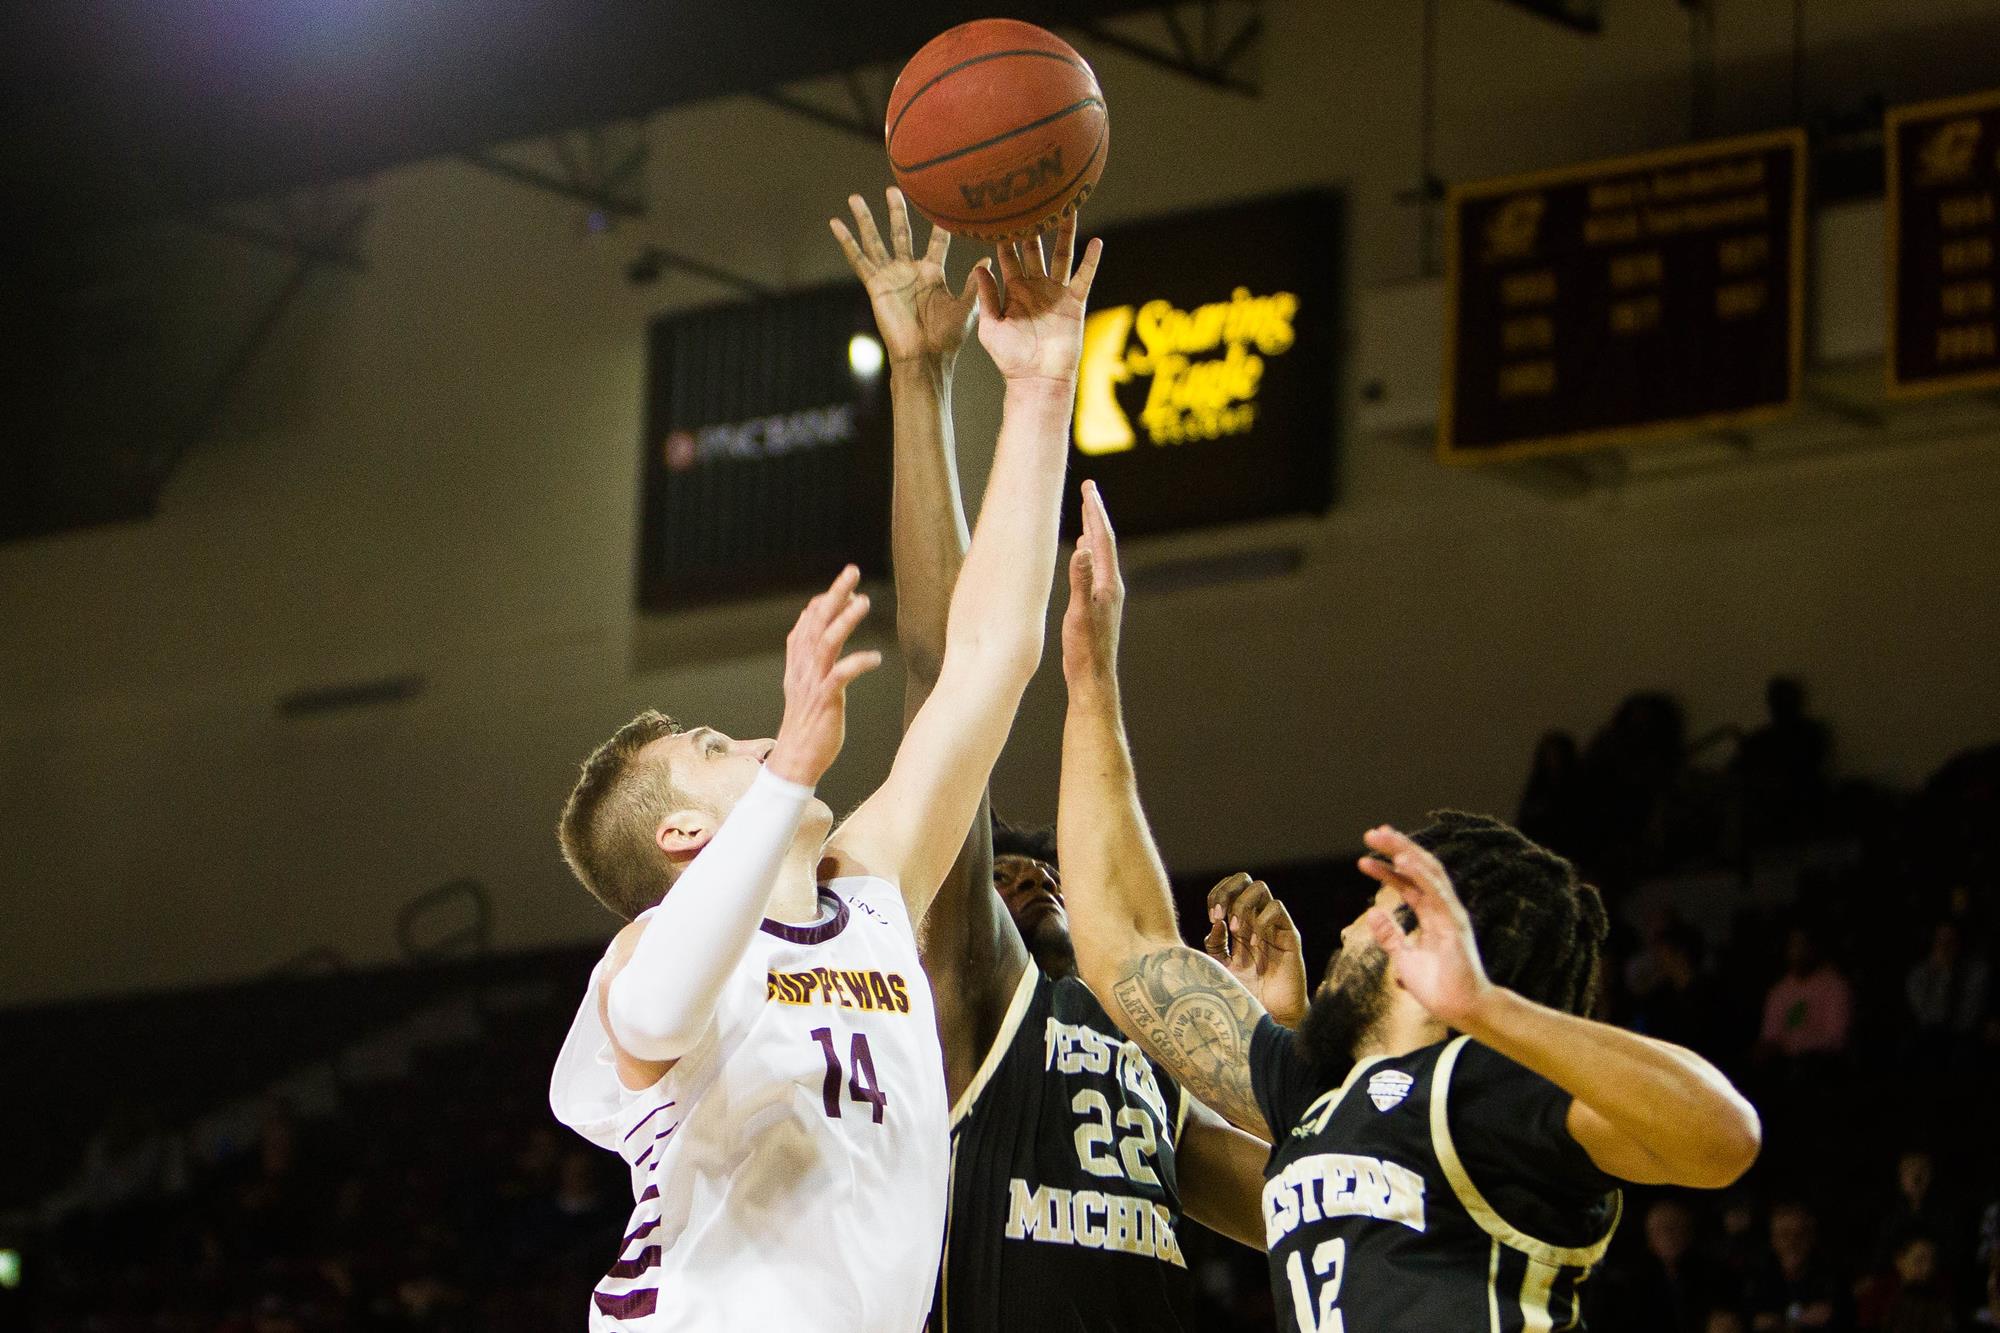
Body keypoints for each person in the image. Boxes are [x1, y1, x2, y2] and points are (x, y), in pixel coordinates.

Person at [545, 212, 1104, 1332]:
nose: (755, 741)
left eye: (749, 740)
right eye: (718, 753)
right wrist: (791, 769)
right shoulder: (648, 953)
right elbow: (654, 1017)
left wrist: (1040, 388)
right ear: (682, 838)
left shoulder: (868, 893)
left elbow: (992, 660)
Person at [1052, 482, 1763, 1331]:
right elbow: (1122, 943)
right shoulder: (1315, 1093)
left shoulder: (1486, 1083)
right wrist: (1090, 683)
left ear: (1426, 933)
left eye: (1373, 905)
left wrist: (1488, 1009)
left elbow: (1725, 1137)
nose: (1347, 927)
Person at [829, 187, 1267, 1332]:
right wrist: (923, 383)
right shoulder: (966, 996)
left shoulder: (1136, 1060)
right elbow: (942, 672)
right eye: (1007, 880)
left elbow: (1294, 1208)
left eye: (1045, 876)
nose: (1035, 886)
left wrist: (1278, 1053)